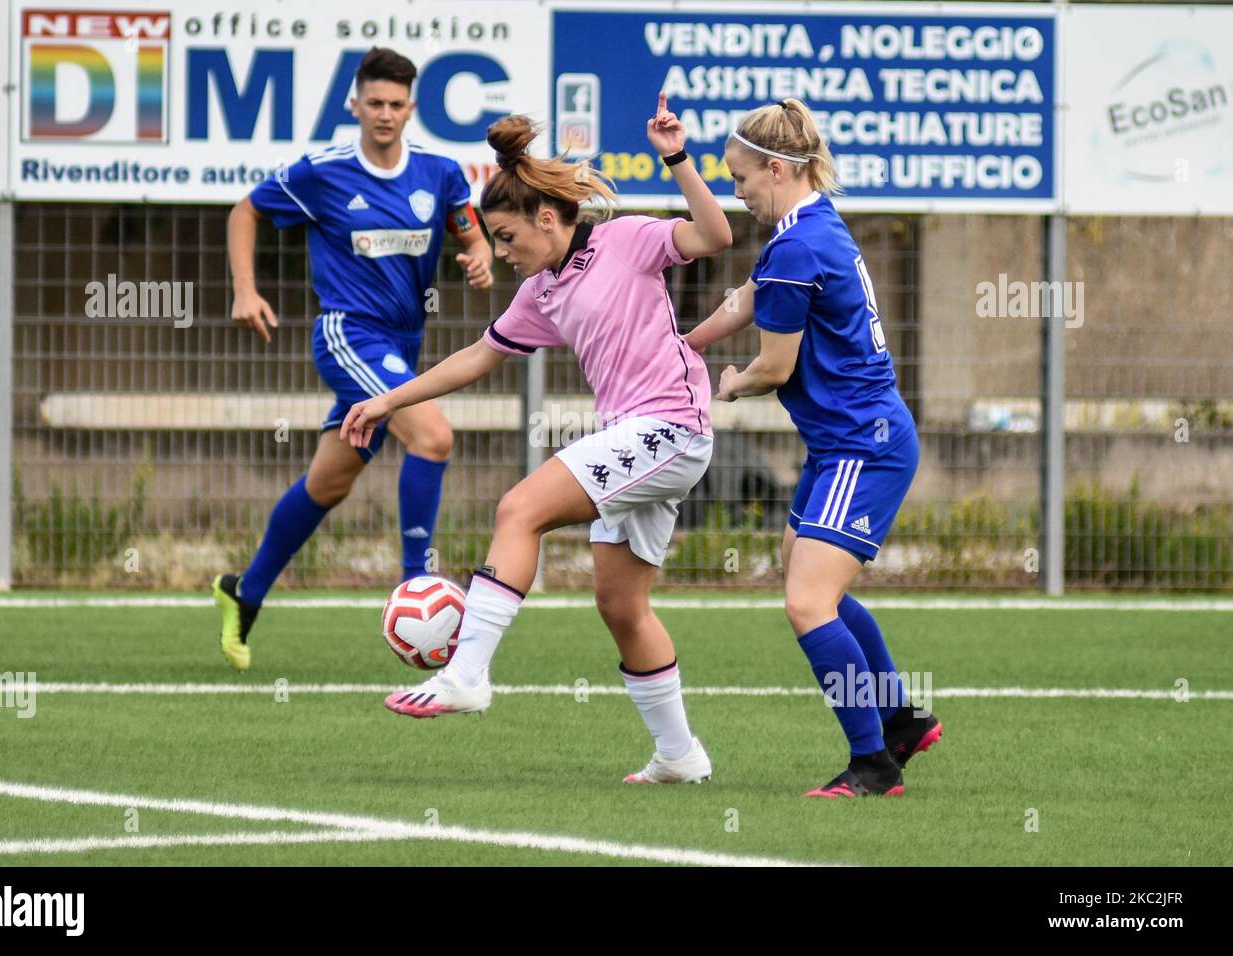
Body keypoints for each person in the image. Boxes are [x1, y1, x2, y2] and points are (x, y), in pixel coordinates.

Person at [341, 94, 733, 783]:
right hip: (634, 439)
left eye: (507, 237)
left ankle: (467, 674)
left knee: (519, 509)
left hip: (672, 427)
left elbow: (716, 235)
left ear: (547, 218)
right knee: (620, 605)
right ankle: (680, 755)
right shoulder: (542, 290)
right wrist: (386, 401)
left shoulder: (628, 240)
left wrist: (676, 157)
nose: (501, 251)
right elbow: (477, 358)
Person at [686, 99, 943, 798]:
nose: (737, 194)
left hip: (863, 445)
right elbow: (747, 297)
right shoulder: (809, 226)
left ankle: (873, 764)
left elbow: (774, 365)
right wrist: (683, 345)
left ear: (776, 168)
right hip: (850, 442)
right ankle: (900, 717)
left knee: (806, 602)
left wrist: (728, 386)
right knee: (806, 576)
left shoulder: (798, 242)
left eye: (741, 179)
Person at [212, 48, 494, 672]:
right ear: (356, 106)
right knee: (433, 437)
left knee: (328, 483)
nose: (385, 114)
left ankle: (244, 591)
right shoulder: (324, 172)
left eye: (397, 104)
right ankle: (415, 588)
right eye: (375, 103)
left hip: (402, 348)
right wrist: (244, 288)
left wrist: (479, 257)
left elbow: (469, 232)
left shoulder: (441, 173)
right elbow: (247, 210)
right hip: (348, 336)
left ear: (411, 108)